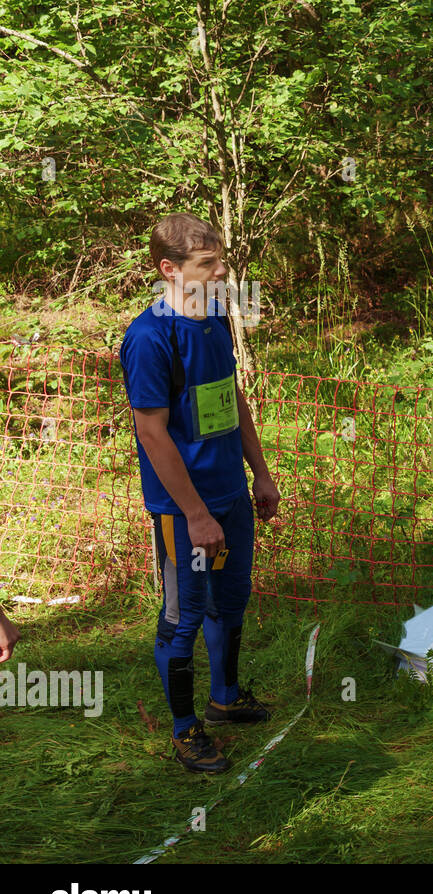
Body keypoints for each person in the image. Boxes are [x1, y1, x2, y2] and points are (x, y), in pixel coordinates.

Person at [119, 212, 281, 774]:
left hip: (232, 494)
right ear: (170, 270)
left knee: (231, 599)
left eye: (222, 261)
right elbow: (151, 431)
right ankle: (185, 730)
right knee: (183, 616)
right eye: (207, 264)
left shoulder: (213, 318)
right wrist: (194, 513)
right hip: (183, 511)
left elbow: (231, 397)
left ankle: (226, 698)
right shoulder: (149, 337)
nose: (221, 273)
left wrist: (259, 473)